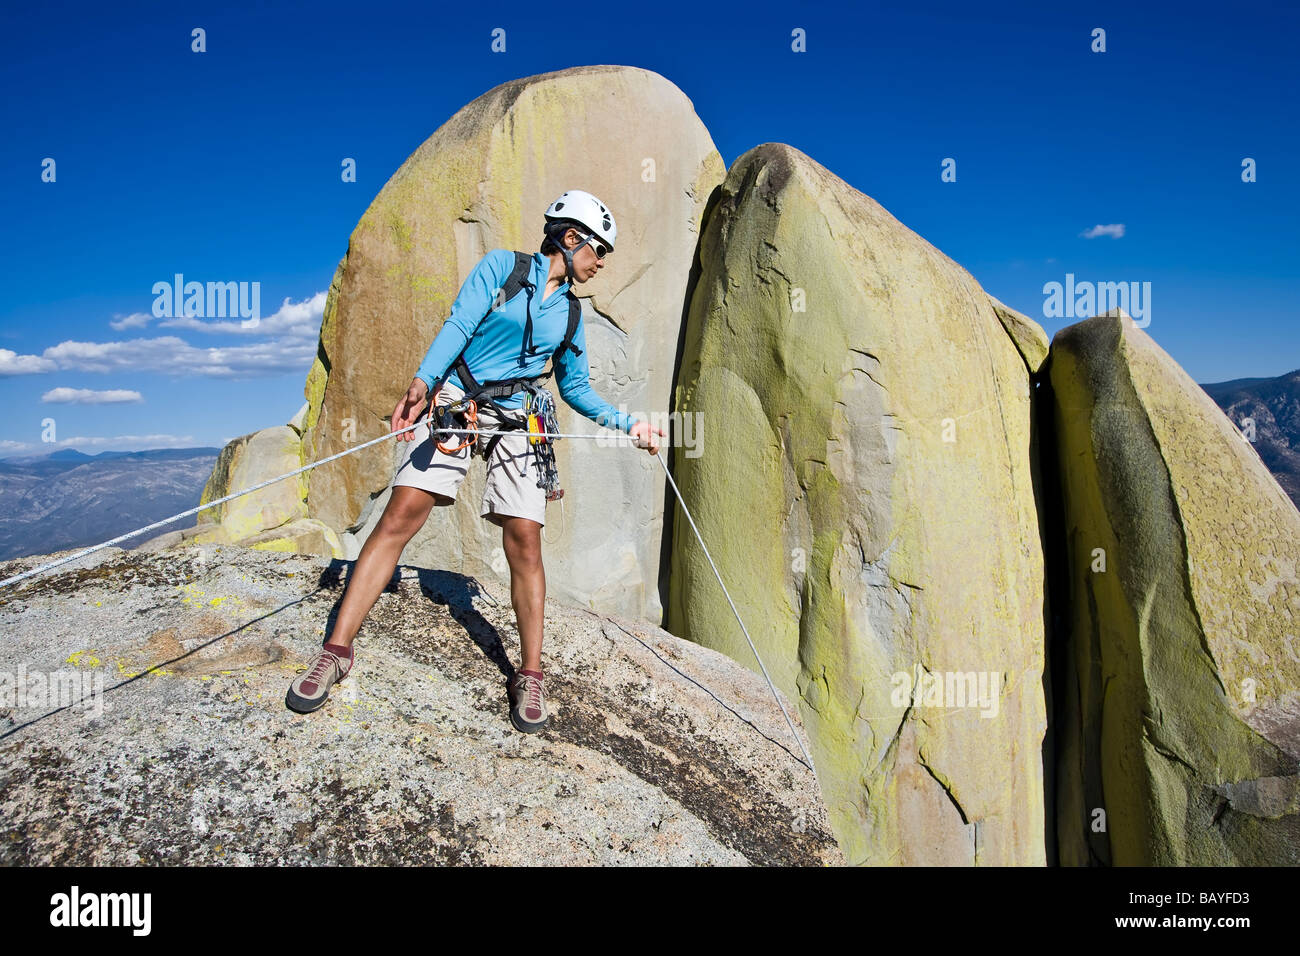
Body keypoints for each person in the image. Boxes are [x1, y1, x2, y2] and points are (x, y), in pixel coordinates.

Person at [286, 190, 666, 733]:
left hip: (519, 418)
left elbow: (576, 388)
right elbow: (460, 324)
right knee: (401, 515)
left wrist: (631, 426)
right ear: (572, 237)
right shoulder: (502, 270)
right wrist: (422, 383)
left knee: (525, 538)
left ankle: (530, 674)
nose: (601, 262)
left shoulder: (572, 313)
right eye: (599, 250)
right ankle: (336, 650)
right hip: (458, 402)